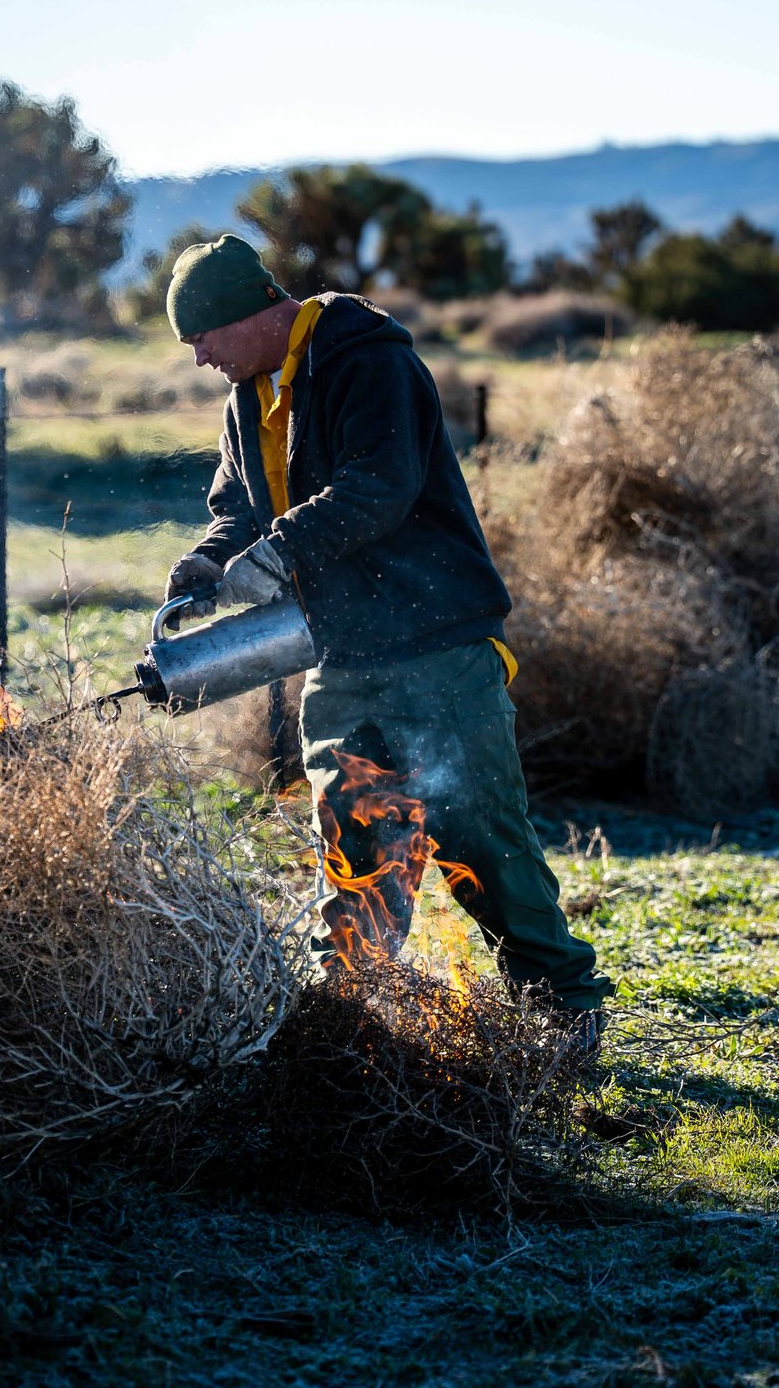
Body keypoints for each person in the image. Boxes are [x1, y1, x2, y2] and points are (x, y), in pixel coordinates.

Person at [159, 234, 612, 1037]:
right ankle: (354, 1021)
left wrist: (283, 550)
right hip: (340, 654)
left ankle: (563, 1010)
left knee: (485, 842)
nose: (200, 359)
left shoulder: (367, 361)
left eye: (203, 339)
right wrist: (206, 562)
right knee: (354, 838)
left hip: (436, 645)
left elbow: (380, 487)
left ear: (252, 312)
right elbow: (237, 506)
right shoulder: (248, 396)